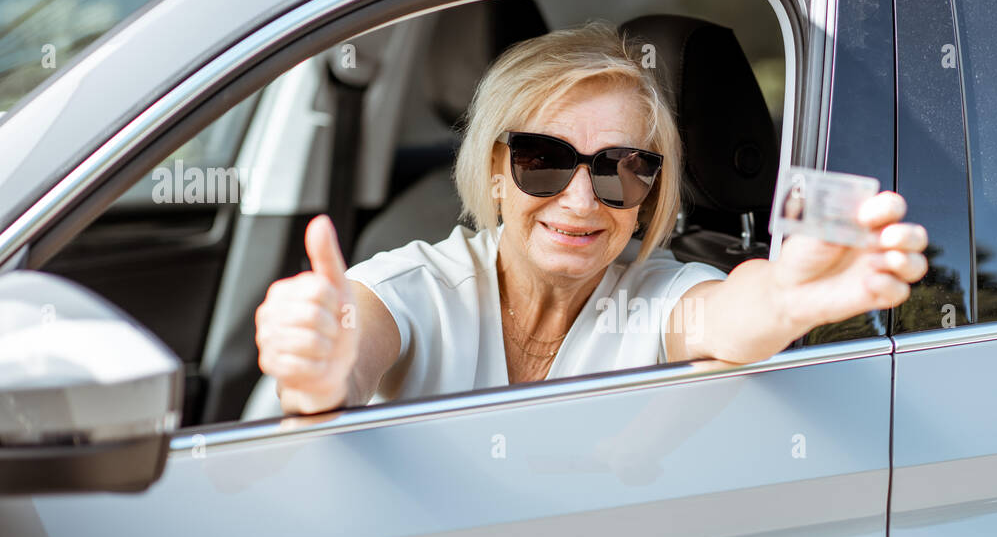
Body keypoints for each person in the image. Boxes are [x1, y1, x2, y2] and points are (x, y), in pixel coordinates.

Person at [253, 22, 927, 415]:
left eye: (620, 167)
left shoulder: (654, 295)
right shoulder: (418, 289)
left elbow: (726, 316)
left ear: (648, 196)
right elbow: (352, 344)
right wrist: (321, 371)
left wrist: (786, 295)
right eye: (543, 159)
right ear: (495, 170)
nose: (580, 200)